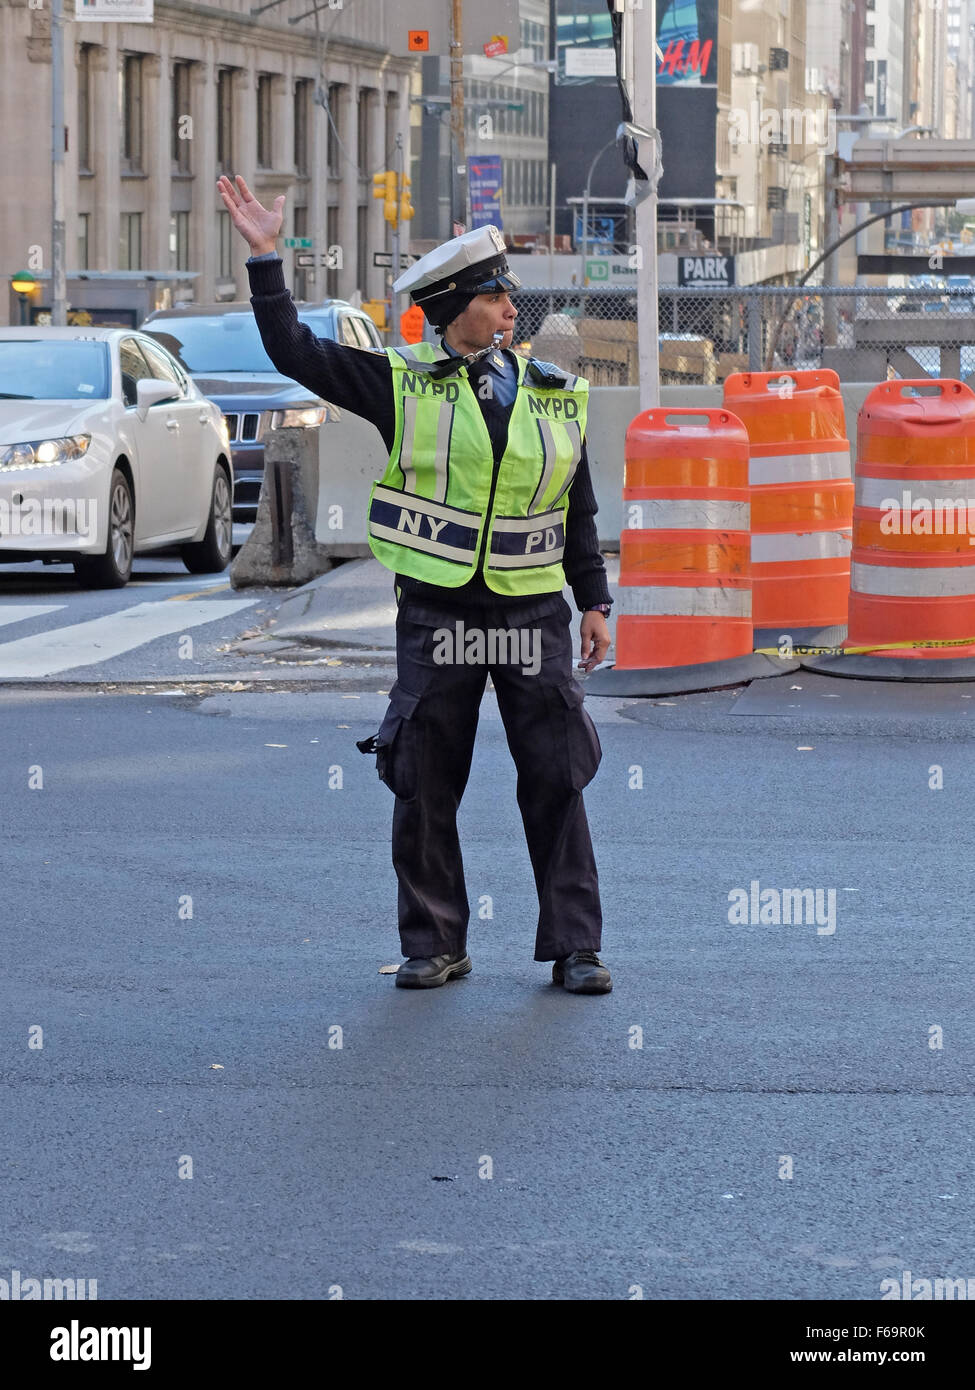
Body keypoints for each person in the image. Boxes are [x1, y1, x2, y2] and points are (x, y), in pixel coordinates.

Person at [217, 174, 614, 995]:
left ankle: (574, 945)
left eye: (509, 293)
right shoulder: (400, 384)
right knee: (424, 781)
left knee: (556, 775)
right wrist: (267, 260)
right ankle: (434, 942)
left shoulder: (553, 394)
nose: (511, 308)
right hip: (437, 611)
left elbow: (576, 501)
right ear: (456, 306)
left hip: (532, 610)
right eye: (497, 294)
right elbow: (296, 351)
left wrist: (594, 600)